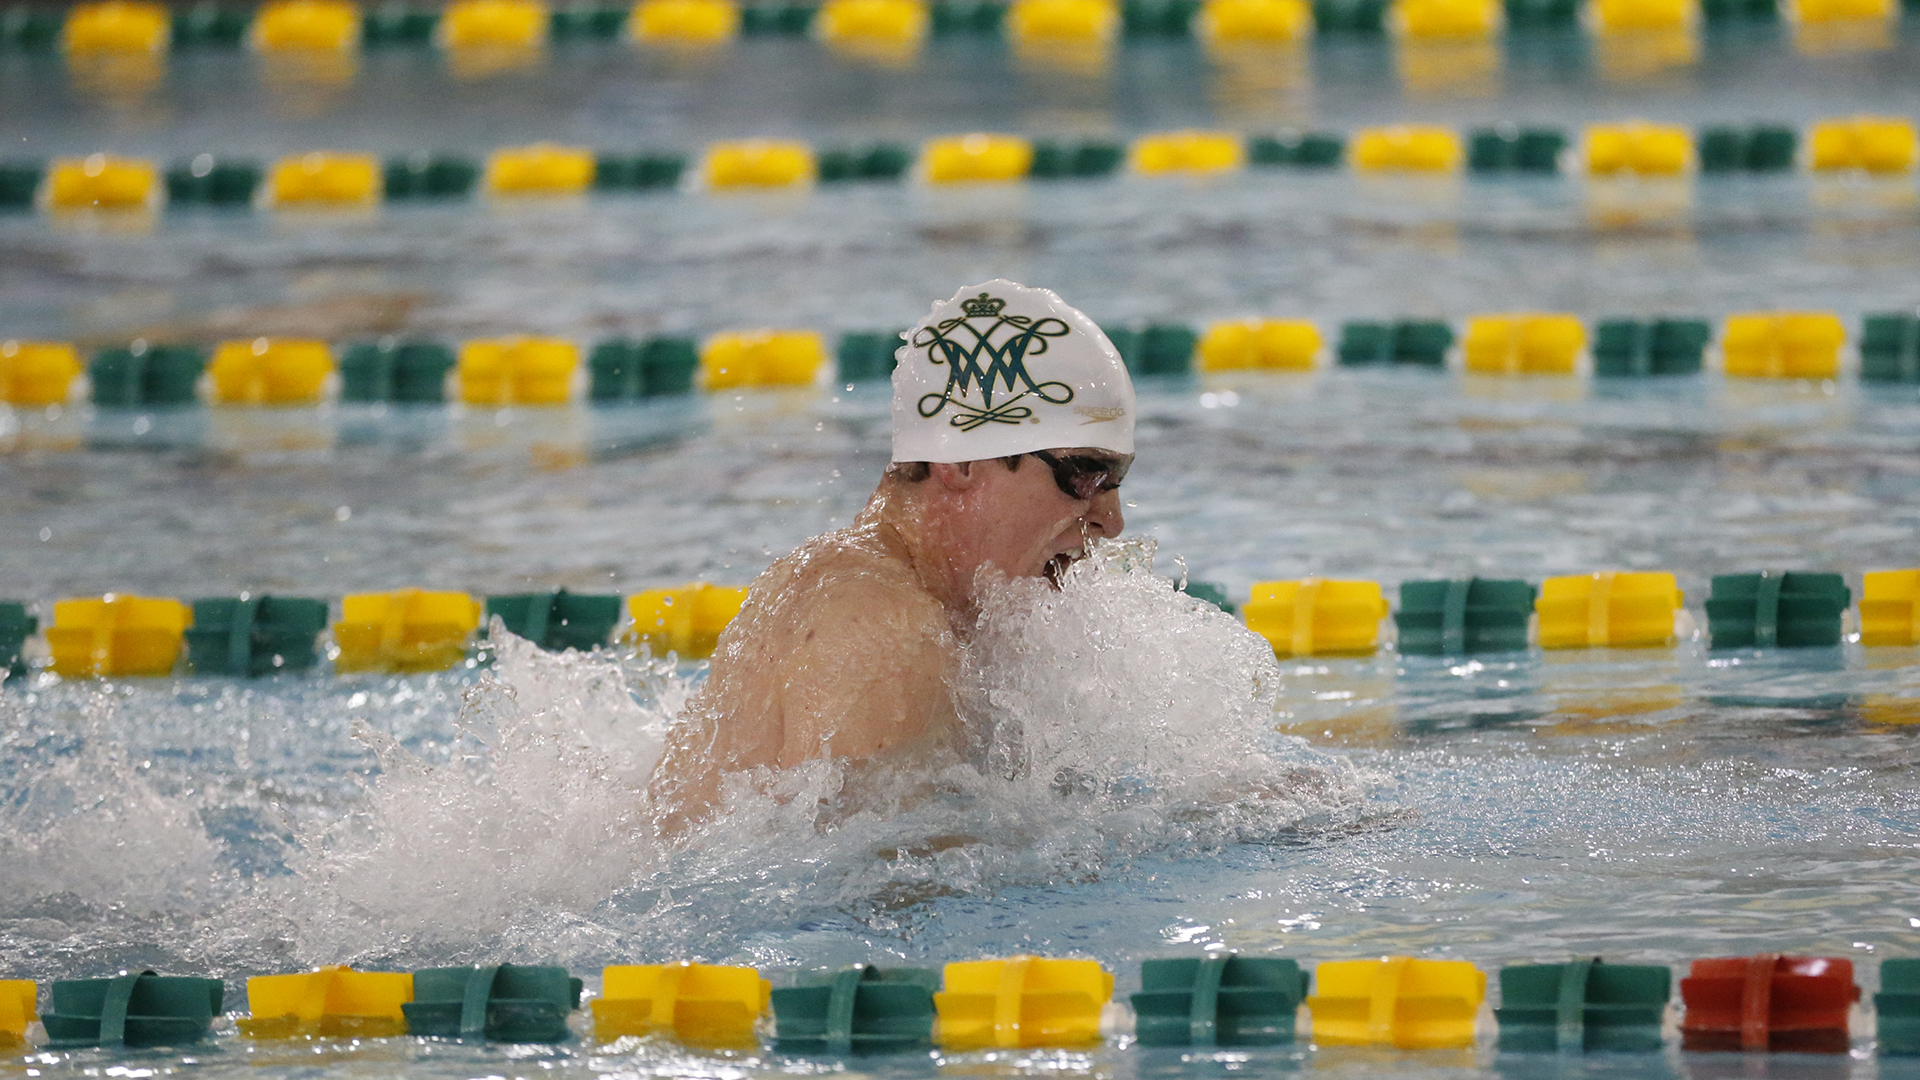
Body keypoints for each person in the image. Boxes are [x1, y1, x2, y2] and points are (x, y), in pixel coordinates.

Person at [647, 279, 1138, 834]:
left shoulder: (869, 587)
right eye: (1085, 476)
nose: (1111, 520)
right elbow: (875, 901)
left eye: (1118, 479)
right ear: (964, 461)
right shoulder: (887, 629)